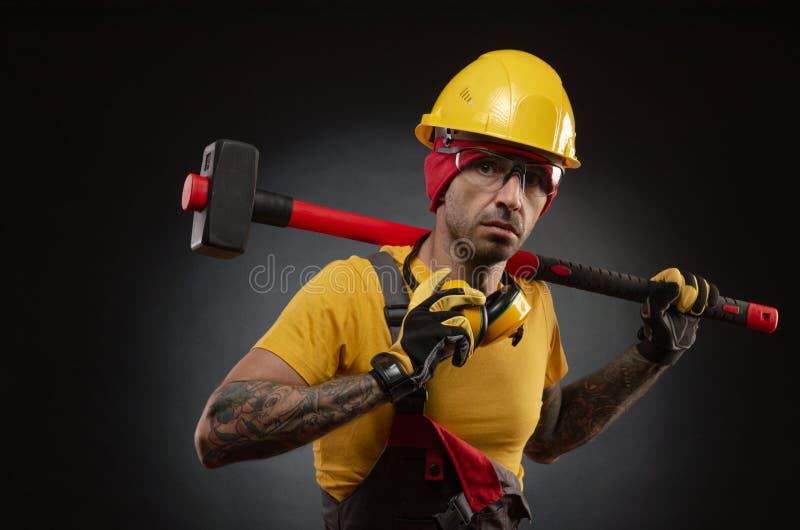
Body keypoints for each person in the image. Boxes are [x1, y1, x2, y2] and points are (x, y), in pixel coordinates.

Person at [193, 49, 716, 529]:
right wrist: (393, 372)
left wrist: (651, 356)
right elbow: (216, 433)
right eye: (488, 166)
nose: (512, 197)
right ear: (443, 175)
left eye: (535, 178)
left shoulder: (532, 302)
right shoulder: (353, 289)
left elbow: (548, 435)